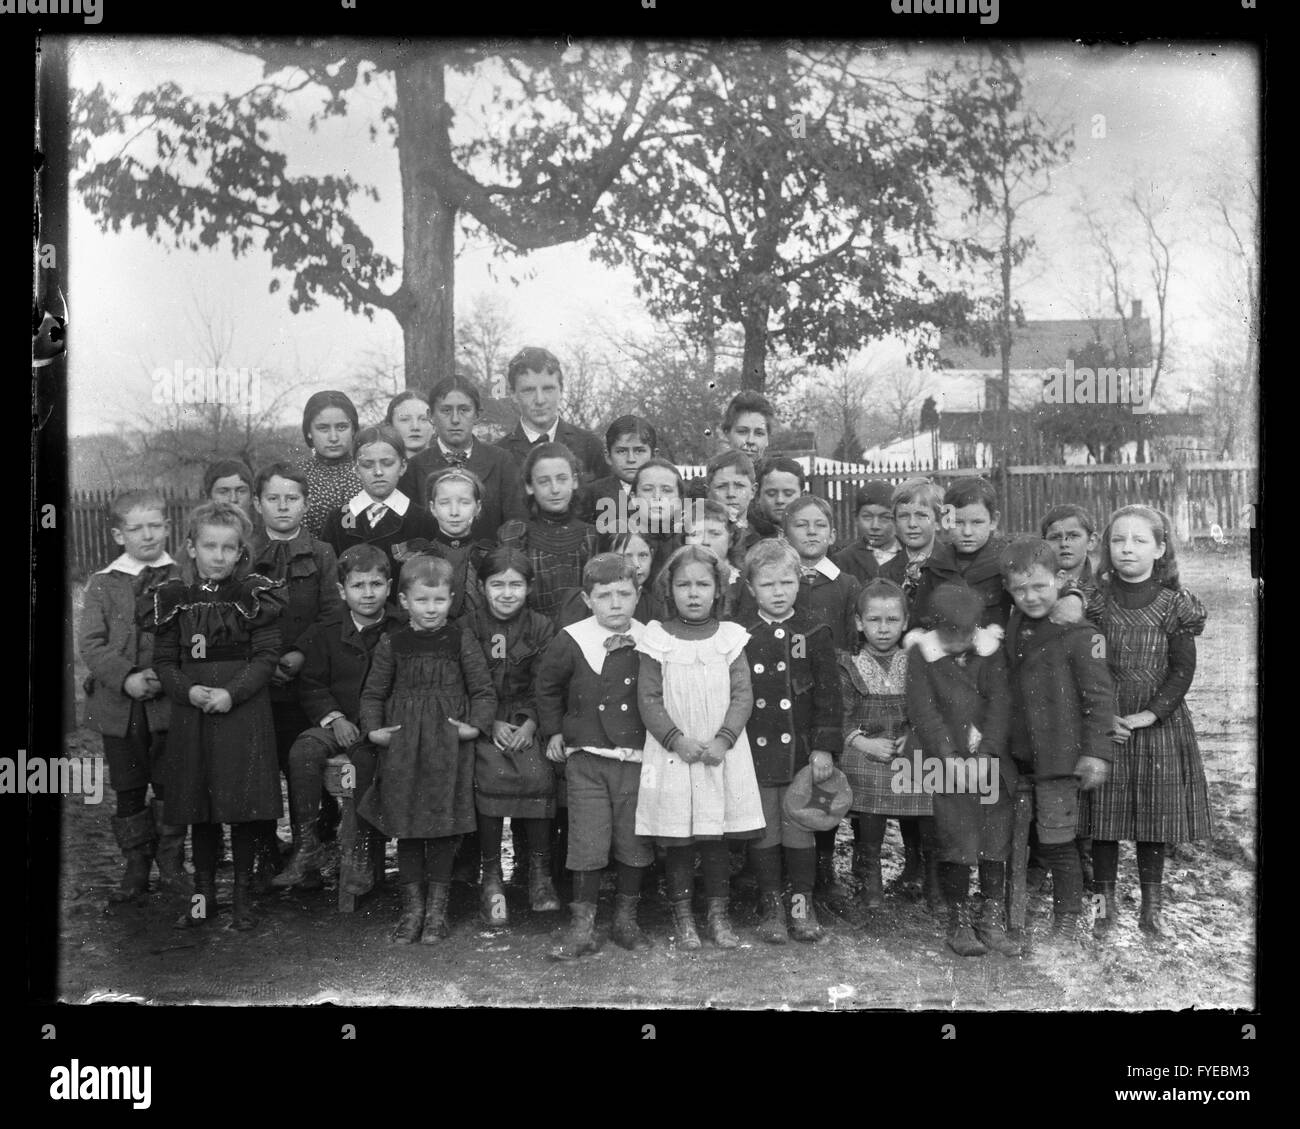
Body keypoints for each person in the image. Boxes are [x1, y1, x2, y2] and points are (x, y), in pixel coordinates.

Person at [142, 502, 285, 931]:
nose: (218, 556)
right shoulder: (173, 599)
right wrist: (189, 690)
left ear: (241, 552)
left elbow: (265, 658)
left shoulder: (253, 596)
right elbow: (164, 663)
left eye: (228, 548)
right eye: (209, 546)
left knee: (240, 809)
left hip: (242, 713)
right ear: (191, 548)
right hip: (194, 717)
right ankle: (202, 900)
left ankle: (242, 899)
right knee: (199, 811)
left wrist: (231, 692)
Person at [1080, 505, 1211, 940]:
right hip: (1105, 719)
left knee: (1152, 820)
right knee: (1104, 821)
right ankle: (1102, 907)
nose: (1127, 549)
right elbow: (1085, 663)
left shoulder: (1177, 605)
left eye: (1139, 540)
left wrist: (1147, 715)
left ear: (1159, 548)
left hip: (1158, 724)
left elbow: (1181, 671)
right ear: (1107, 547)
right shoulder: (1094, 602)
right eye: (1118, 540)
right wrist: (1102, 716)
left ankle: (1152, 909)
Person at [357, 555, 497, 944]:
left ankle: (437, 912)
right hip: (403, 749)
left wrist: (475, 726)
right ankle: (412, 909)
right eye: (422, 600)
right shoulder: (392, 642)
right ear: (404, 601)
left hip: (446, 749)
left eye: (439, 600)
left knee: (439, 828)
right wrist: (374, 732)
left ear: (451, 600)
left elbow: (483, 690)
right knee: (407, 827)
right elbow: (373, 693)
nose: (431, 609)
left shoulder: (460, 639)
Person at [636, 545, 764, 949]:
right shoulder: (656, 638)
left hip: (719, 753)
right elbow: (649, 699)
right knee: (679, 840)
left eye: (702, 585)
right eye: (683, 585)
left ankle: (718, 916)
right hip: (675, 754)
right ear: (668, 590)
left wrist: (723, 739)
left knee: (716, 838)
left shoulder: (729, 638)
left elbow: (743, 694)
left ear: (718, 590)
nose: (693, 593)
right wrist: (676, 740)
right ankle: (684, 917)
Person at [535, 554, 655, 959]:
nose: (615, 604)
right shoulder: (571, 638)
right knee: (587, 841)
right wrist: (554, 730)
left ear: (639, 595)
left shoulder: (651, 639)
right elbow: (548, 687)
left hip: (636, 760)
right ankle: (581, 925)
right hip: (586, 759)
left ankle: (625, 920)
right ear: (588, 599)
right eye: (605, 596)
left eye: (624, 594)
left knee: (632, 839)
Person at [999, 538, 1115, 952]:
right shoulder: (1015, 623)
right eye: (1019, 589)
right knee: (1017, 838)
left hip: (1060, 760)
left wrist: (1096, 752)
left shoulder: (1080, 633)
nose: (1030, 597)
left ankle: (1066, 919)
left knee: (1057, 843)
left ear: (1061, 581)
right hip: (1020, 753)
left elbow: (1100, 698)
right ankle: (1011, 909)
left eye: (1040, 587)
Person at [273, 545, 403, 892]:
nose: (367, 593)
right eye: (358, 586)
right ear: (342, 591)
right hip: (339, 722)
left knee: (368, 762)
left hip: (384, 726)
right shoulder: (325, 629)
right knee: (303, 751)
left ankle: (361, 851)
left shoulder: (401, 627)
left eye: (376, 584)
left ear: (389, 587)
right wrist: (334, 719)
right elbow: (312, 683)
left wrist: (376, 724)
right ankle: (307, 846)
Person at [80, 490, 188, 902]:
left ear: (167, 527)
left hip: (167, 703)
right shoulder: (103, 584)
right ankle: (136, 865)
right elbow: (91, 643)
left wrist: (166, 675)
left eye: (155, 526)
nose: (147, 535)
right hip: (120, 707)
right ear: (118, 534)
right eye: (136, 528)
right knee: (128, 787)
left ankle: (172, 861)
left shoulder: (182, 578)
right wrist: (126, 677)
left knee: (169, 783)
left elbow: (190, 634)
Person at [904, 585, 1017, 957]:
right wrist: (950, 757)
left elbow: (1000, 706)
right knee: (957, 835)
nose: (958, 642)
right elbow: (924, 712)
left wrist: (986, 755)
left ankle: (990, 916)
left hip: (988, 757)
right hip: (943, 758)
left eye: (965, 634)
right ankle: (958, 918)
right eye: (950, 634)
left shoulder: (991, 651)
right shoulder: (923, 655)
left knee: (994, 833)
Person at [740, 538, 841, 943]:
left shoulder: (814, 631)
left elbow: (829, 695)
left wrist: (823, 746)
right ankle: (772, 907)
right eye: (767, 585)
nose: (778, 592)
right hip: (755, 752)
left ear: (799, 582)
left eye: (786, 582)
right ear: (750, 588)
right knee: (765, 832)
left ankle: (801, 907)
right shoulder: (741, 634)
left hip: (800, 752)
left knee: (800, 830)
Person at [247, 462, 342, 890]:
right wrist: (268, 663)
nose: (282, 506)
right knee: (263, 764)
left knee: (305, 764)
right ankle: (266, 849)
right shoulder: (245, 554)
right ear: (257, 503)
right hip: (260, 682)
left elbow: (331, 613)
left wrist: (300, 653)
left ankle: (316, 847)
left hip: (307, 678)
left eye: (291, 498)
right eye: (273, 498)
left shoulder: (322, 554)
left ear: (305, 504)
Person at [457, 548, 562, 927]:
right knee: (490, 774)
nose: (506, 593)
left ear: (529, 587)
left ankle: (539, 875)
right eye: (496, 584)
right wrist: (490, 723)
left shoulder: (541, 627)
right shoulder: (468, 627)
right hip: (485, 720)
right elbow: (465, 684)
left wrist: (531, 723)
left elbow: (546, 685)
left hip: (527, 722)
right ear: (482, 588)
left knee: (536, 772)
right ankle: (491, 877)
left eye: (515, 585)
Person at [839, 578, 936, 911]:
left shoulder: (916, 664)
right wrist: (864, 743)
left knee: (927, 781)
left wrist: (913, 735)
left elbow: (926, 709)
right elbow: (842, 717)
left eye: (892, 620)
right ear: (858, 622)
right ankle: (871, 880)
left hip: (905, 746)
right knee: (867, 784)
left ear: (906, 622)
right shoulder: (848, 666)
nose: (883, 629)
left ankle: (920, 870)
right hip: (866, 749)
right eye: (874, 620)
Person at [398, 375, 528, 542]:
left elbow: (515, 523)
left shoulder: (501, 461)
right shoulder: (415, 467)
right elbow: (411, 532)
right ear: (431, 415)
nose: (455, 420)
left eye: (464, 410)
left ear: (477, 415)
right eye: (445, 410)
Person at [320, 423, 439, 583]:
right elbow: (329, 579)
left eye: (387, 463)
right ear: (356, 470)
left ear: (402, 466)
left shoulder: (422, 519)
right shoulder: (339, 518)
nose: (378, 472)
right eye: (368, 465)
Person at [497, 441, 600, 620]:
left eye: (562, 479)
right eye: (544, 481)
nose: (554, 489)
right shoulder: (515, 535)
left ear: (574, 481)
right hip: (532, 636)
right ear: (529, 486)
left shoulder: (592, 536)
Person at [494, 346, 610, 498]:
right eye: (528, 390)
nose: (540, 400)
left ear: (561, 390)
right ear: (514, 395)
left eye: (548, 389)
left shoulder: (590, 446)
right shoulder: (499, 456)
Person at [909, 476, 1012, 631]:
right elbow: (920, 621)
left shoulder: (1006, 561)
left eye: (977, 522)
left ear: (993, 520)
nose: (967, 532)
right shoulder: (935, 564)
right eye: (958, 522)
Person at [423, 465, 496, 622]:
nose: (454, 512)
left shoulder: (488, 556)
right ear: (433, 508)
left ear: (478, 507)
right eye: (444, 503)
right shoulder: (421, 556)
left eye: (464, 503)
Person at [294, 390, 363, 539]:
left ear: (353, 430)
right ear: (309, 432)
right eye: (323, 428)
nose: (333, 437)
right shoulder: (296, 475)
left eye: (342, 427)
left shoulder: (367, 470)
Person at [584, 415, 657, 530]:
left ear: (653, 456)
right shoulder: (591, 494)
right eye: (621, 451)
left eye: (639, 451)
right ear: (608, 456)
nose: (631, 459)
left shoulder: (667, 492)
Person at [833, 480, 906, 586]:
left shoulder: (912, 556)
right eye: (867, 517)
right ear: (856, 518)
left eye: (885, 517)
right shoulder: (843, 561)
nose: (875, 526)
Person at [628, 457, 687, 585]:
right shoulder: (619, 540)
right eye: (648, 489)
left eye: (666, 490)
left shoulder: (689, 540)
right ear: (634, 498)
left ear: (679, 500)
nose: (657, 497)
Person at [684, 498, 743, 619]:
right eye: (695, 534)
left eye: (715, 534)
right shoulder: (675, 578)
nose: (705, 542)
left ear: (730, 540)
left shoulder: (741, 582)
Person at [702, 449, 758, 558]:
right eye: (721, 486)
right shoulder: (696, 538)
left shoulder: (764, 538)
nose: (731, 494)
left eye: (739, 485)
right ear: (708, 492)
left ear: (753, 491)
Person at [385, 390, 434, 462]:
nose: (415, 427)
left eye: (424, 419)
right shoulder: (381, 470)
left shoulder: (451, 470)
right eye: (405, 420)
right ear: (391, 426)